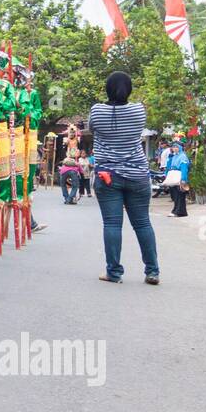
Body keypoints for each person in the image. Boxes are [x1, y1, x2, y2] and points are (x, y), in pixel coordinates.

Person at [90, 71, 160, 284]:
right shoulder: (139, 110)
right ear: (129, 90)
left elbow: (93, 129)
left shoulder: (97, 111)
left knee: (112, 224)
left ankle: (114, 272)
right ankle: (152, 271)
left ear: (106, 89)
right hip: (137, 174)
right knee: (142, 223)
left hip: (107, 175)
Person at [165, 141, 190, 217]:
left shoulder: (182, 156)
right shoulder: (174, 156)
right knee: (175, 196)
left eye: (176, 147)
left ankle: (178, 212)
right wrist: (169, 158)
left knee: (179, 195)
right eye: (173, 147)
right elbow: (169, 167)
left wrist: (183, 179)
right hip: (173, 177)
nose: (174, 148)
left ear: (180, 148)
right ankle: (178, 211)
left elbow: (184, 168)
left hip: (179, 178)